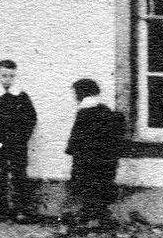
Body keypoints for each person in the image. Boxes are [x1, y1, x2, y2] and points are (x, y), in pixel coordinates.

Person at [0, 60, 37, 221]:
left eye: (11, 76)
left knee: (19, 175)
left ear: (15, 76)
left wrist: (21, 139)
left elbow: (31, 119)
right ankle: (2, 209)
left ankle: (21, 210)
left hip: (17, 144)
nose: (7, 79)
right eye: (4, 76)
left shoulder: (22, 97)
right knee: (0, 175)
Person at [65, 78, 125, 229]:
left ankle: (90, 218)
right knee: (101, 188)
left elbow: (76, 138)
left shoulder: (84, 113)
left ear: (81, 94)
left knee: (87, 188)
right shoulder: (105, 110)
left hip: (87, 161)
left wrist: (73, 152)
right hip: (106, 161)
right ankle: (101, 217)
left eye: (75, 94)